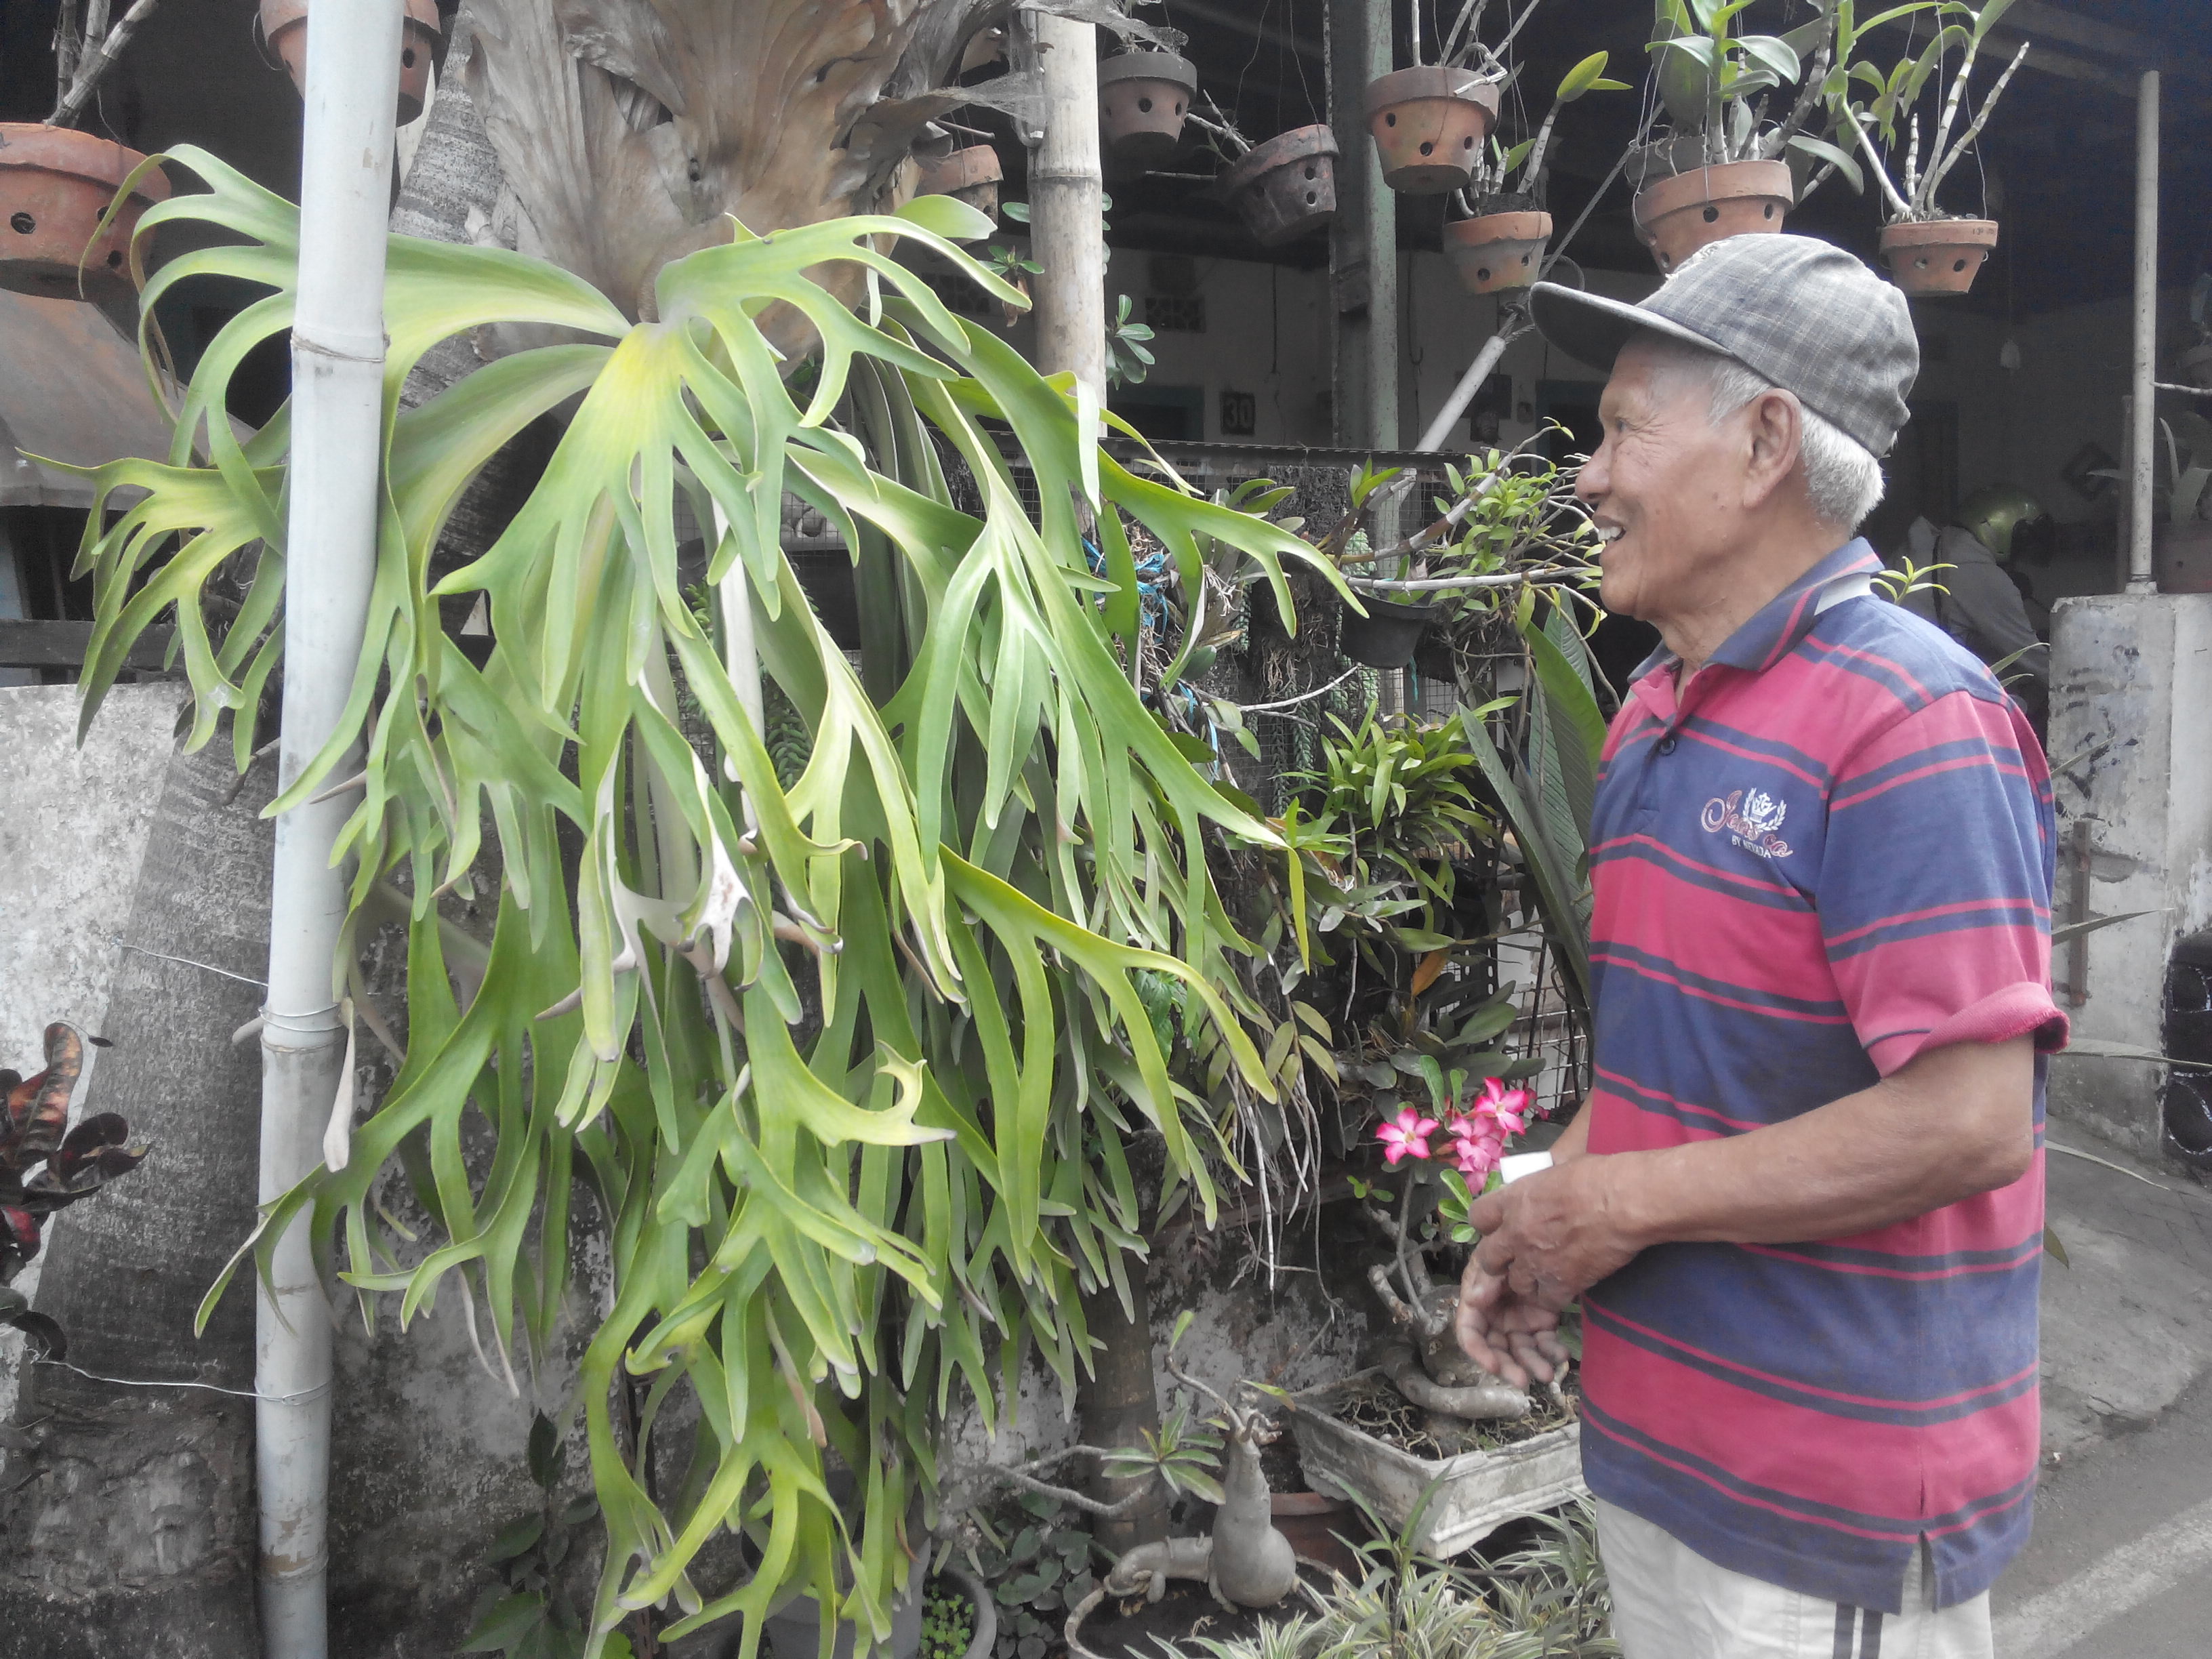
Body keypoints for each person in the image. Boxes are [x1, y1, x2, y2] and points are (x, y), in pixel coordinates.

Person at [1453, 236, 2066, 1659]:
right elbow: (1671, 1071)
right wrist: (1552, 1223)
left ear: (1766, 444)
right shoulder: (1652, 714)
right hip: (1663, 1460)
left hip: (1823, 1510)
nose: (1588, 475)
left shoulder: (1910, 721)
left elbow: (1972, 1123)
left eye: (1620, 430)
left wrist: (1623, 1207)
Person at [1892, 487, 2050, 731]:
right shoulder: (1980, 574)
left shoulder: (1928, 544)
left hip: (1893, 680)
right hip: (1925, 700)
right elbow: (2032, 658)